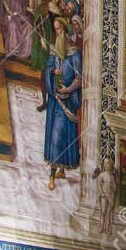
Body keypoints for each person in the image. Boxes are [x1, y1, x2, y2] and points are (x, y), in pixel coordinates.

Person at [43, 25, 83, 189]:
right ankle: (52, 174)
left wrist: (68, 88)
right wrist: (53, 71)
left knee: (63, 138)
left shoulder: (75, 54)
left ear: (66, 33)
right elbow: (48, 69)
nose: (58, 34)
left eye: (60, 31)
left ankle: (61, 170)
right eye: (56, 31)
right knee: (55, 138)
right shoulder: (54, 52)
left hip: (68, 101)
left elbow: (79, 77)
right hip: (56, 101)